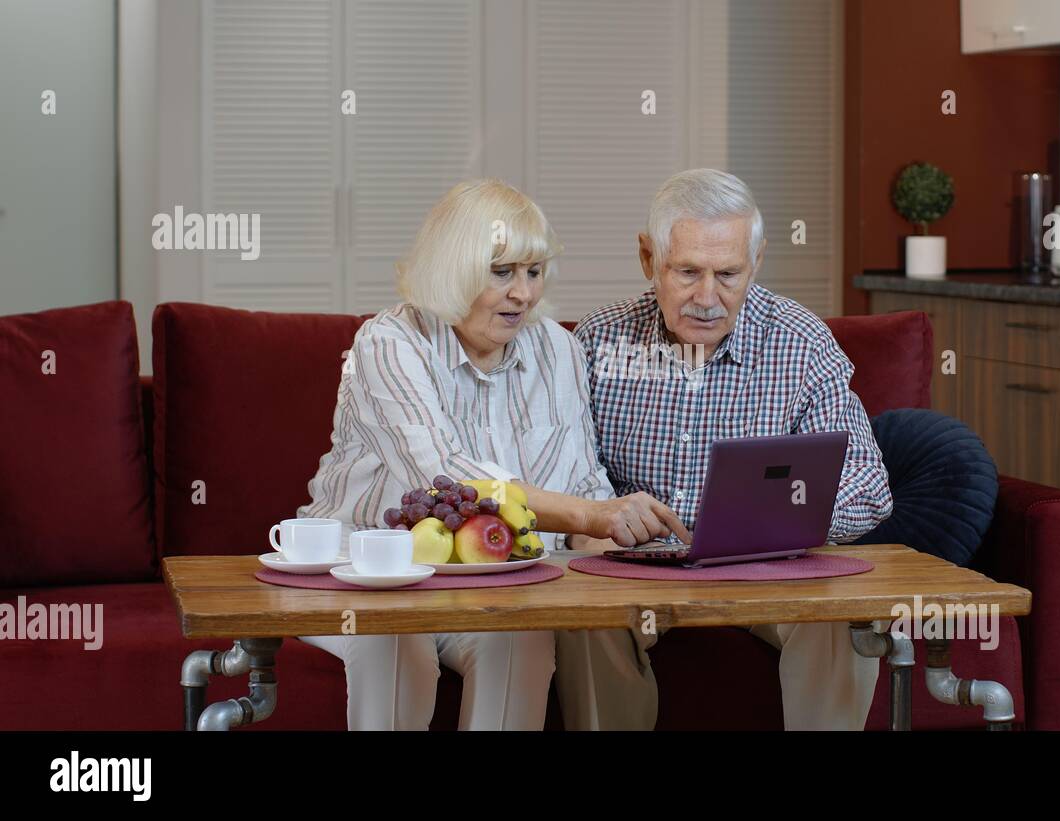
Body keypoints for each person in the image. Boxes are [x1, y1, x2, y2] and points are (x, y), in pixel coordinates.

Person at [296, 179, 689, 730]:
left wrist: (626, 536)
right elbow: (444, 478)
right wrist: (588, 514)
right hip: (366, 575)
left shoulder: (558, 349)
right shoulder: (387, 343)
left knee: (522, 639)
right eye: (501, 272)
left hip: (488, 582)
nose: (523, 294)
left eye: (533, 272)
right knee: (395, 650)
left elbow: (583, 484)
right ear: (451, 269)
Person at [555, 168, 894, 730]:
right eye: (687, 272)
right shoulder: (599, 340)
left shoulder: (800, 342)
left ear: (755, 264)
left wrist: (773, 518)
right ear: (648, 259)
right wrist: (593, 520)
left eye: (728, 274)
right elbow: (566, 474)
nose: (707, 298)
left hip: (765, 574)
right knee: (582, 615)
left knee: (839, 615)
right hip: (632, 572)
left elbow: (867, 488)